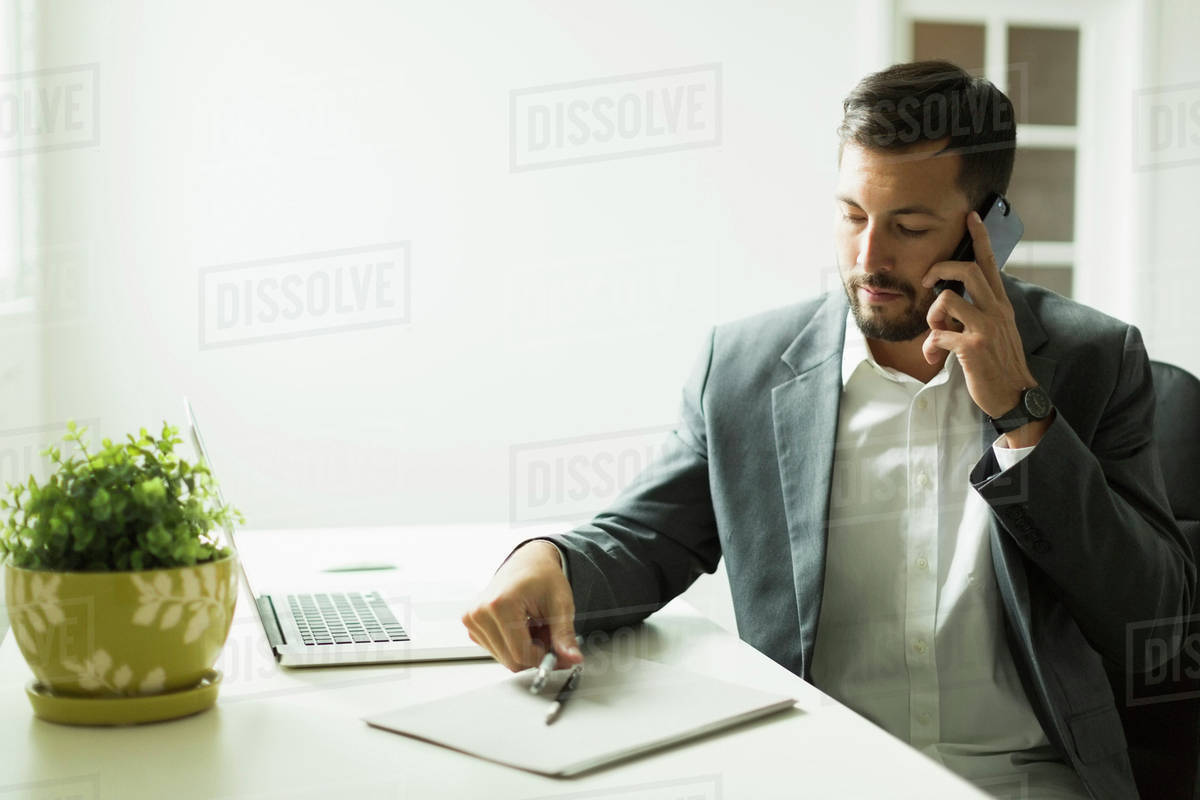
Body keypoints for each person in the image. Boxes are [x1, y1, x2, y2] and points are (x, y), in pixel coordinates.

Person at [461, 61, 1194, 799]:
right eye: (851, 216)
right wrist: (547, 561)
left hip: (1029, 783)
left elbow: (1156, 621)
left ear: (987, 229)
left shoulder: (1092, 361)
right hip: (818, 776)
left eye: (908, 226)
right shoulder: (743, 370)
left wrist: (1022, 415)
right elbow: (646, 538)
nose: (868, 259)